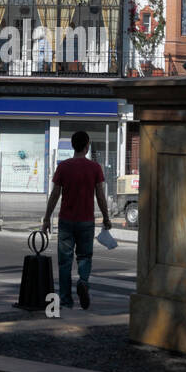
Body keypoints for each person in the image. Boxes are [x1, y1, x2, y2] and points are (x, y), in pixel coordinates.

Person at [42, 130, 111, 310]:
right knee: (85, 256)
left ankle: (65, 299)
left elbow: (55, 194)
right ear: (87, 145)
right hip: (86, 220)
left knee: (65, 261)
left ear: (73, 145)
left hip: (66, 220)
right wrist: (106, 217)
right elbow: (100, 196)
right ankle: (83, 282)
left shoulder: (63, 167)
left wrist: (47, 218)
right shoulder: (95, 168)